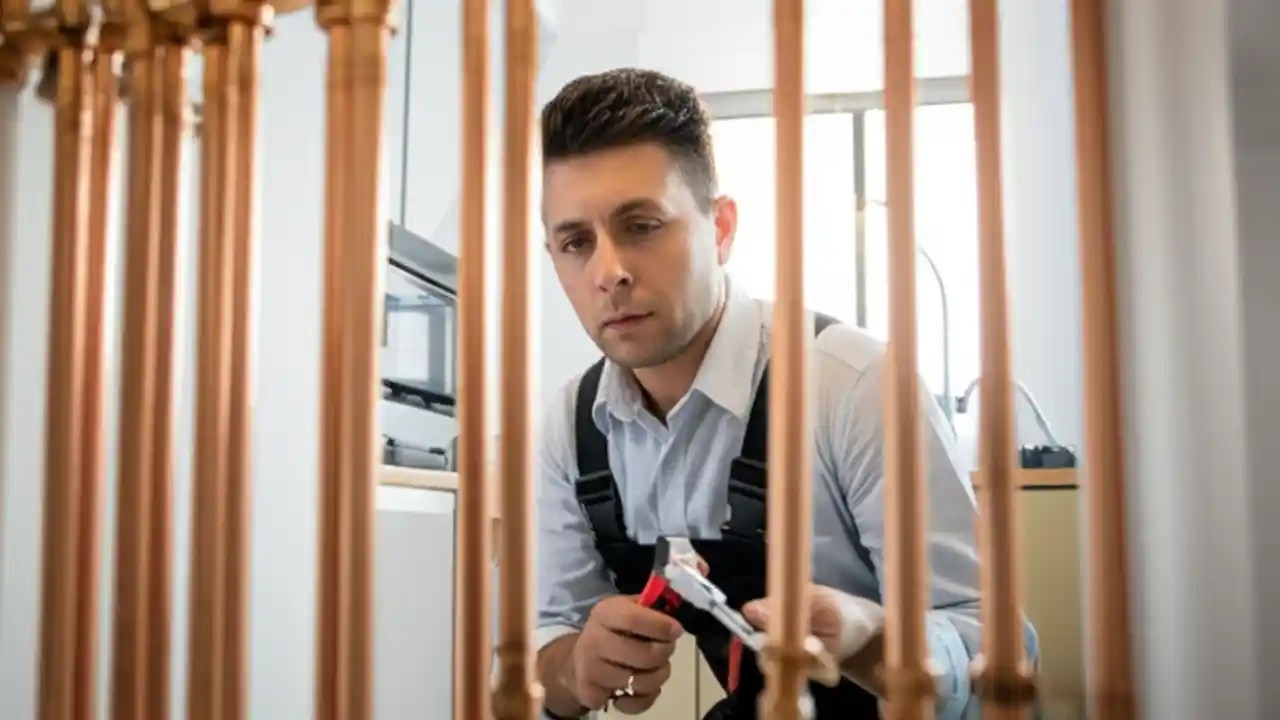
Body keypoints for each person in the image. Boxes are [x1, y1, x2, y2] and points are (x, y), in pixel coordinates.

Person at [531, 67, 1036, 719]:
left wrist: (865, 636)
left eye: (642, 225)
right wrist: (577, 670)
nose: (610, 273)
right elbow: (541, 644)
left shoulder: (855, 387)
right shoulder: (569, 432)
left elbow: (1002, 654)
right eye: (576, 243)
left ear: (719, 228)